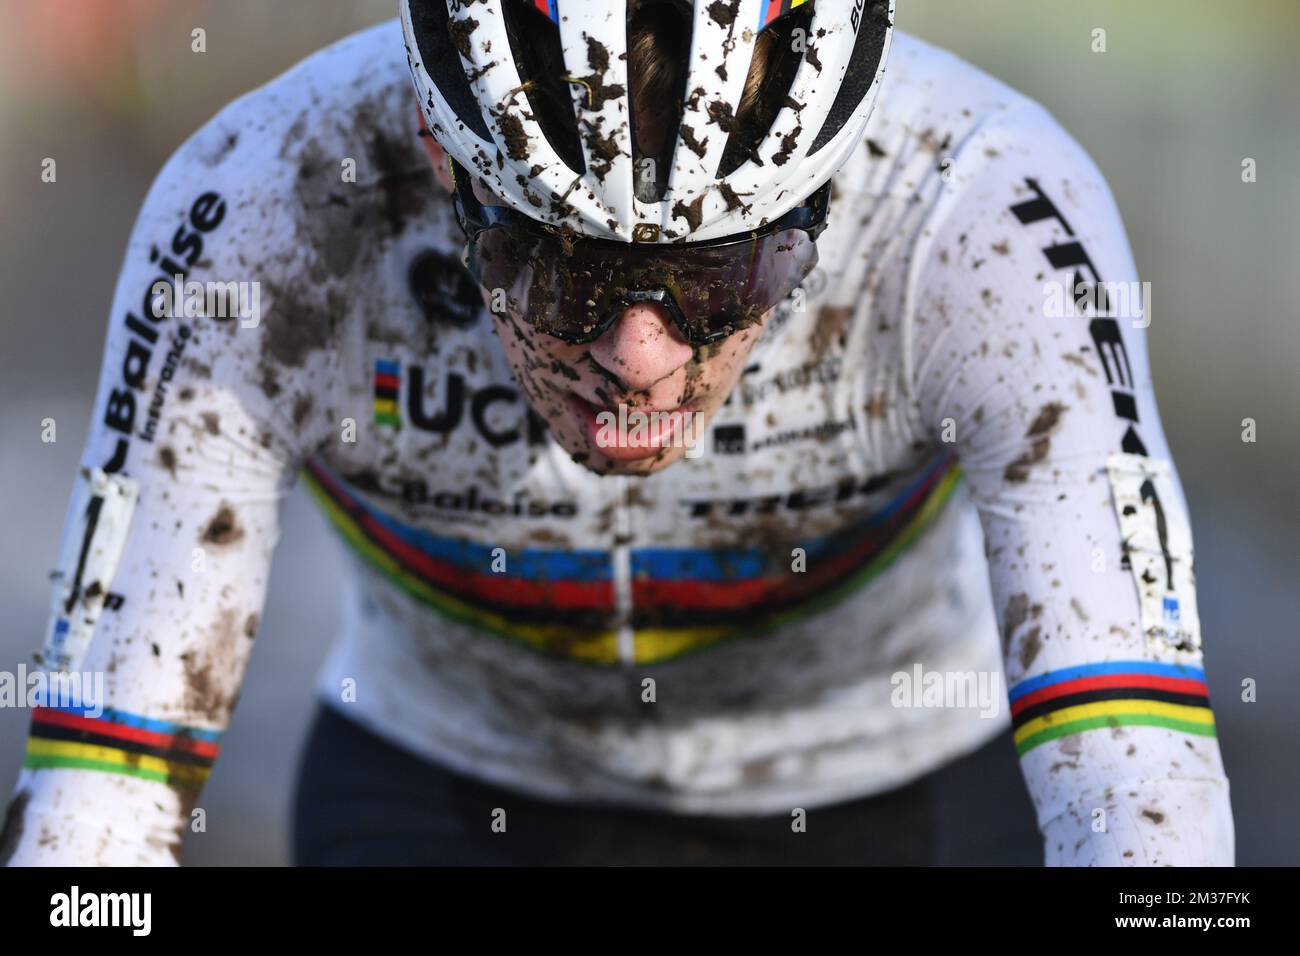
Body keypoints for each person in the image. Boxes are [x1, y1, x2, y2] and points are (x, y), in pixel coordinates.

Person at [0, 0, 1233, 866]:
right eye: (552, 264)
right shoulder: (265, 207)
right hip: (443, 789)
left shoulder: (982, 203)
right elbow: (105, 786)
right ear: (441, 158)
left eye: (720, 274)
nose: (638, 354)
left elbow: (1134, 774)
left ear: (829, 189)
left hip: (891, 791)